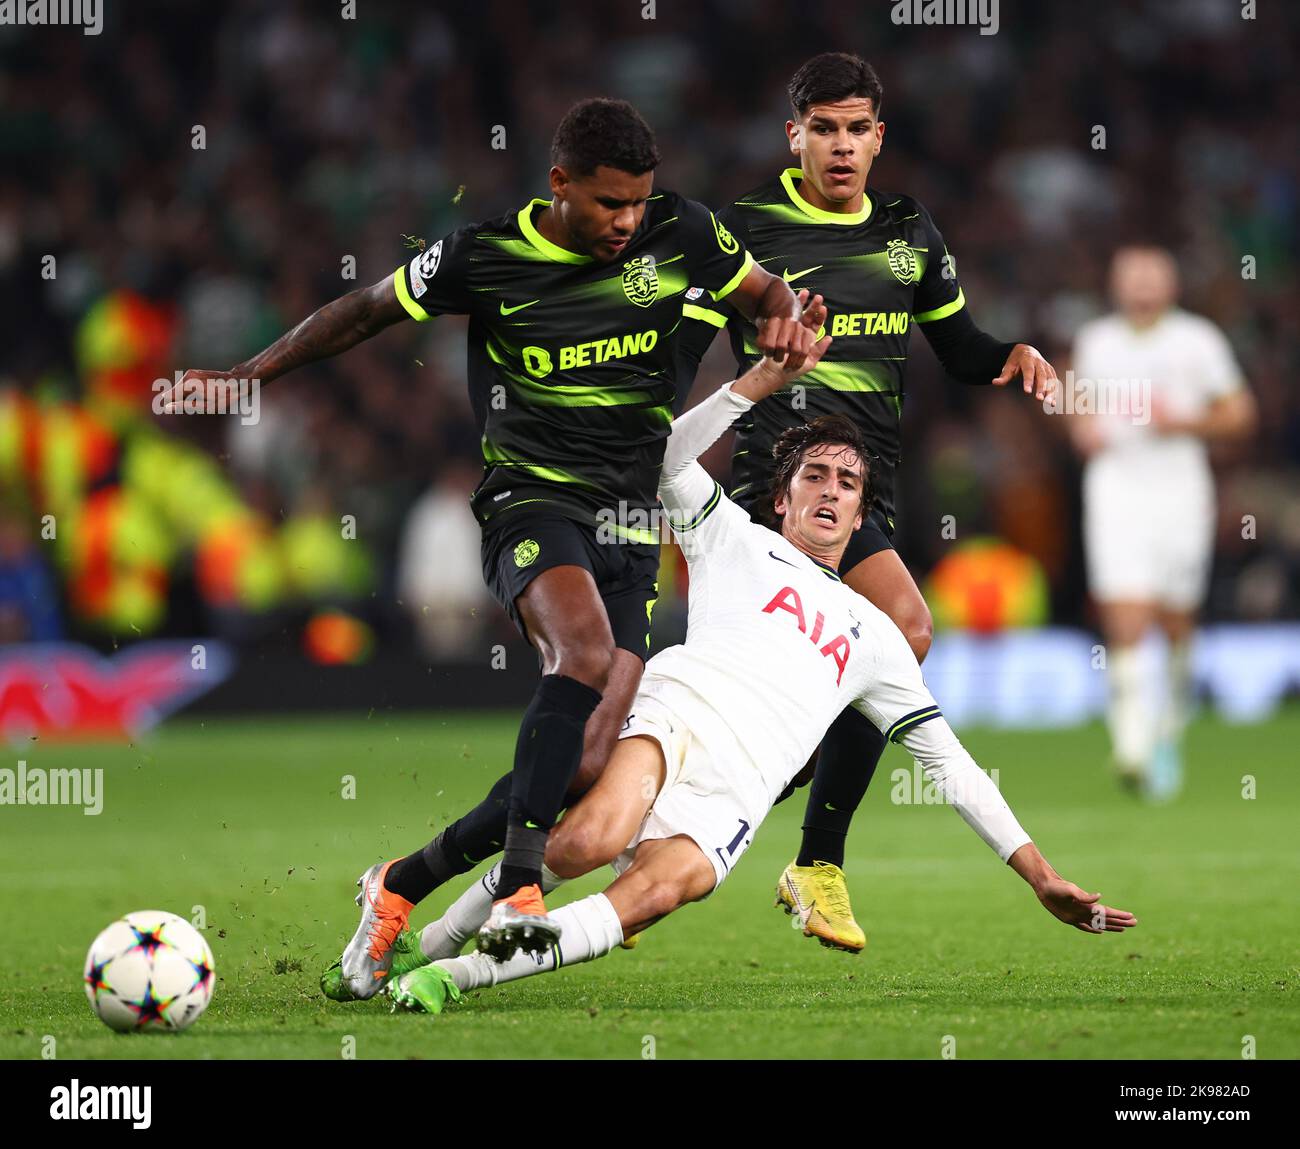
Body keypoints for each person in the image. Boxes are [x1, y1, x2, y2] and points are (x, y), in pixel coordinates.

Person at [168, 96, 815, 980]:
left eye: (636, 203)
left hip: (630, 515)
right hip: (531, 498)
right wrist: (248, 375)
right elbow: (362, 311)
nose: (626, 222)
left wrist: (779, 316)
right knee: (581, 651)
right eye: (606, 203)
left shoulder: (683, 231)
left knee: (584, 766)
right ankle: (517, 885)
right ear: (560, 184)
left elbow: (765, 292)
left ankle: (400, 881)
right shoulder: (485, 254)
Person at [377, 328, 1134, 1014]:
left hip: (736, 794)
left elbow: (953, 765)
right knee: (586, 843)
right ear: (782, 496)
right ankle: (435, 939)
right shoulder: (729, 535)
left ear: (862, 509)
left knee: (653, 895)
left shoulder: (874, 637)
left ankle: (455, 976)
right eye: (815, 475)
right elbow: (665, 456)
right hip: (675, 720)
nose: (831, 489)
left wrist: (1038, 873)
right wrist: (755, 386)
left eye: (846, 481)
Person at [673, 52, 1059, 952]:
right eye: (824, 129)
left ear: (879, 138)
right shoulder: (745, 228)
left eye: (857, 130)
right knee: (898, 634)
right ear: (794, 136)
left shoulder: (907, 230)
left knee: (870, 652)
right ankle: (788, 849)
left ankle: (737, 829)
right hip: (776, 487)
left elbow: (957, 343)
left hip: (860, 488)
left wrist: (1011, 354)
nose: (841, 147)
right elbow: (683, 349)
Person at [1070, 246, 1255, 799]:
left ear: (1171, 285)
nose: (1143, 287)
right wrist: (1082, 428)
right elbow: (1077, 404)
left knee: (1174, 620)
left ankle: (1167, 727)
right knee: (1126, 613)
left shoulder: (1197, 340)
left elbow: (1241, 414)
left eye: (1153, 277)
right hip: (1115, 488)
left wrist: (1185, 421)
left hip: (1179, 490)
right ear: (1116, 284)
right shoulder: (1096, 340)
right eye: (1133, 277)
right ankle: (1131, 745)